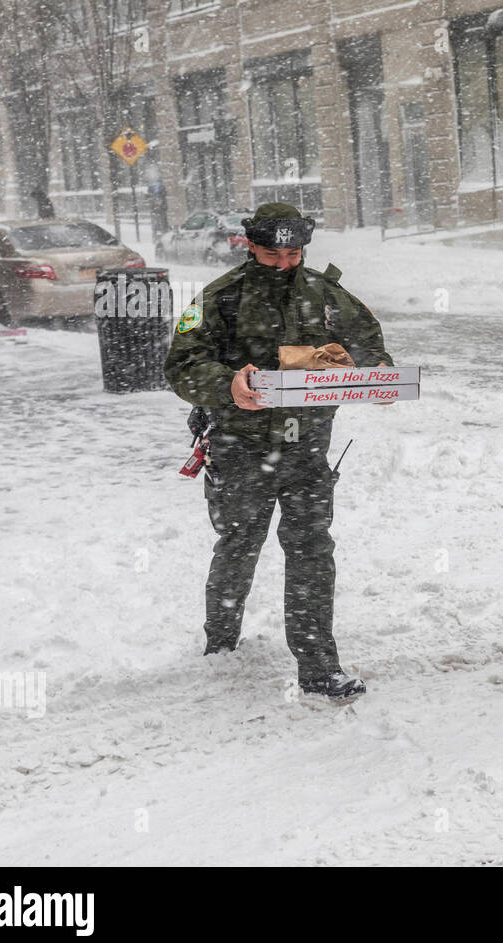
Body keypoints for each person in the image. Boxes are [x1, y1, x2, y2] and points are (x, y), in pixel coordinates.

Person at [164, 202, 394, 700]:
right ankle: (221, 643)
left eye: (294, 254)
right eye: (273, 254)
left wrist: (369, 376)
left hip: (307, 449)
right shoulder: (221, 298)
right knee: (238, 547)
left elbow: (374, 352)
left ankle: (318, 668)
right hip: (238, 448)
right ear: (250, 246)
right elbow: (180, 365)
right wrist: (227, 383)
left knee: (312, 550)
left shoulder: (328, 296)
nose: (285, 263)